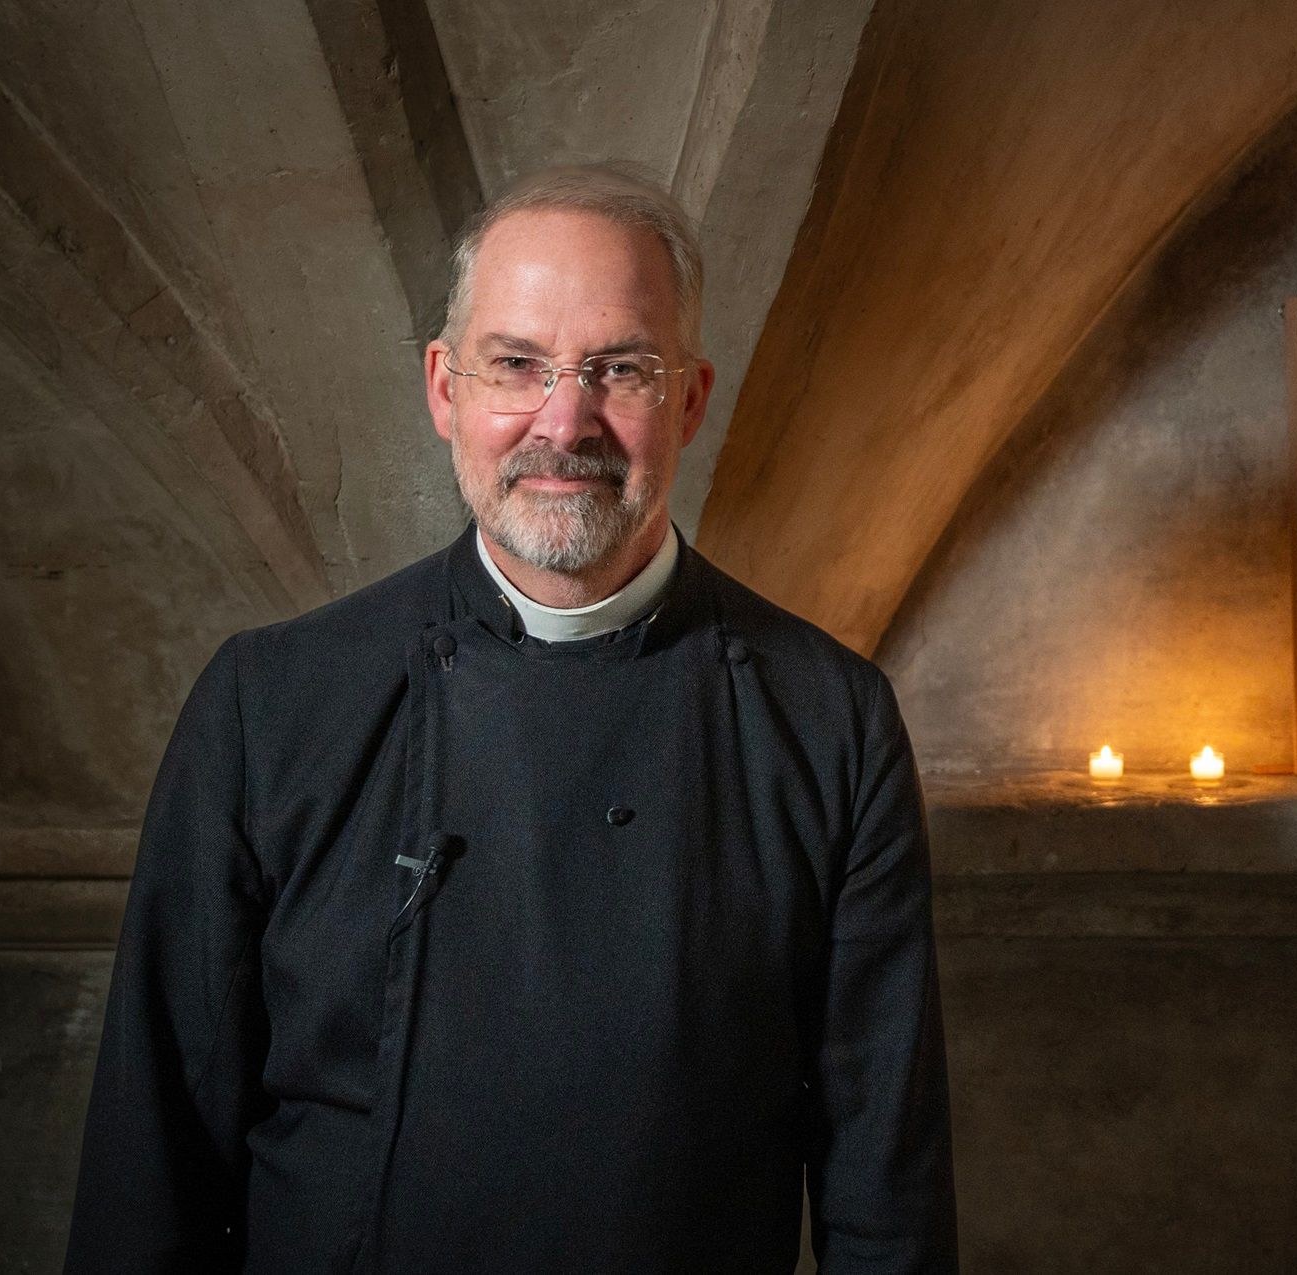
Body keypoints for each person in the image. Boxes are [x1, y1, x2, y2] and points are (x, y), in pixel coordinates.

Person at [64, 165, 958, 1273]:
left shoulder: (827, 722)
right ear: (445, 390)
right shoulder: (270, 704)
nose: (563, 419)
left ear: (688, 399)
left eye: (619, 369)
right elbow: (152, 1159)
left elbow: (885, 1191)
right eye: (516, 365)